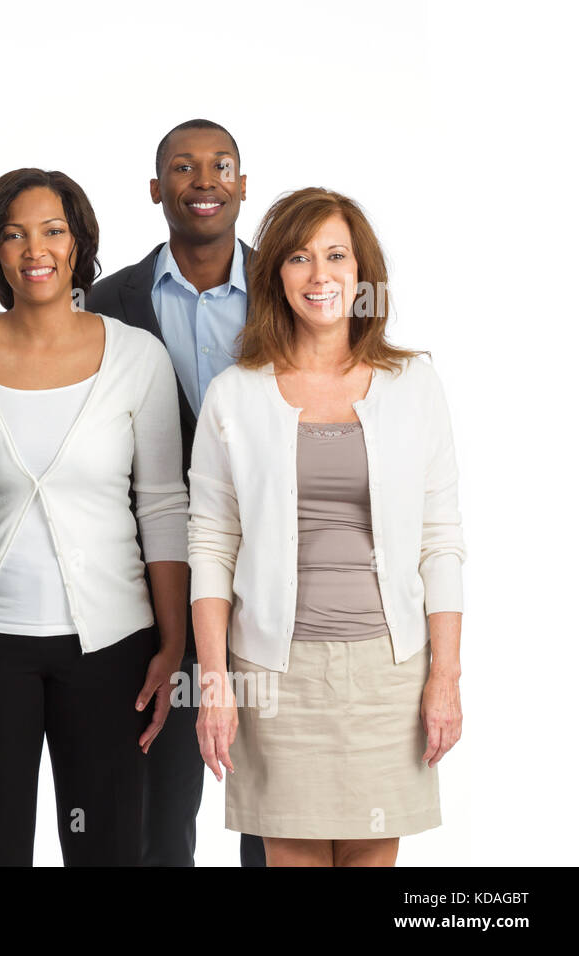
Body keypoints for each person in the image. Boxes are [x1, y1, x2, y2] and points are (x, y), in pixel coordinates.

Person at [188, 187, 465, 867]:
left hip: (389, 672)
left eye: (336, 255)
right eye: (299, 258)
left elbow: (441, 540)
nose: (320, 275)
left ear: (362, 271)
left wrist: (445, 677)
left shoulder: (414, 385)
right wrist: (216, 682)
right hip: (275, 675)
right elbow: (211, 543)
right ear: (275, 276)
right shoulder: (235, 394)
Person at [0, 169, 189, 866]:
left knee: (109, 845)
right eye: (14, 234)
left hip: (111, 647)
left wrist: (171, 647)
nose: (35, 249)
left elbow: (164, 507)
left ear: (79, 243)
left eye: (52, 230)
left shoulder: (137, 357)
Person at [86, 118, 266, 866]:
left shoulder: (291, 292)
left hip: (267, 579)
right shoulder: (104, 302)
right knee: (158, 809)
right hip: (150, 583)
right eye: (184, 168)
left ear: (243, 186)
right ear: (157, 189)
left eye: (220, 165)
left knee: (280, 799)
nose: (204, 180)